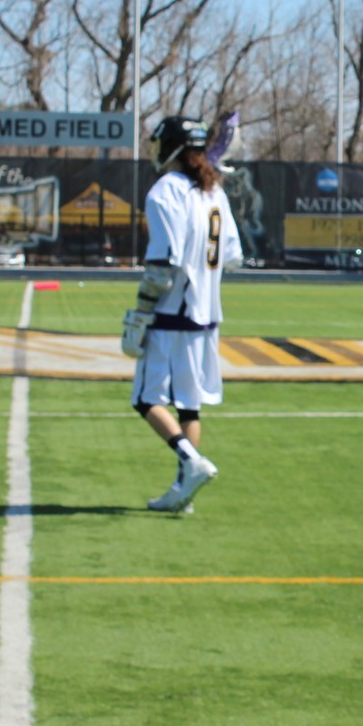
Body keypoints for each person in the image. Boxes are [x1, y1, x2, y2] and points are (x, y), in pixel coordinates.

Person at [122, 115, 243, 513]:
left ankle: (191, 461)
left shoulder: (166, 191)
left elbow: (162, 263)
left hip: (172, 313)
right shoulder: (214, 192)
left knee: (145, 399)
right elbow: (232, 256)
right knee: (189, 404)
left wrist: (142, 311)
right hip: (206, 316)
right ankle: (183, 491)